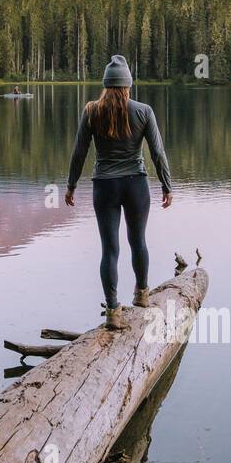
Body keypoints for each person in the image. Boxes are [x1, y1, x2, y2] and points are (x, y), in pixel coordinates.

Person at [64, 55, 173, 330]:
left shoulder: (91, 111)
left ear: (106, 84)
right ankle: (142, 295)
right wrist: (166, 185)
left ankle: (113, 310)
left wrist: (71, 185)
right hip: (136, 185)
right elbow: (158, 152)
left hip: (105, 186)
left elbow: (79, 152)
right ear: (128, 85)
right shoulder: (144, 111)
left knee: (109, 249)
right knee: (139, 241)